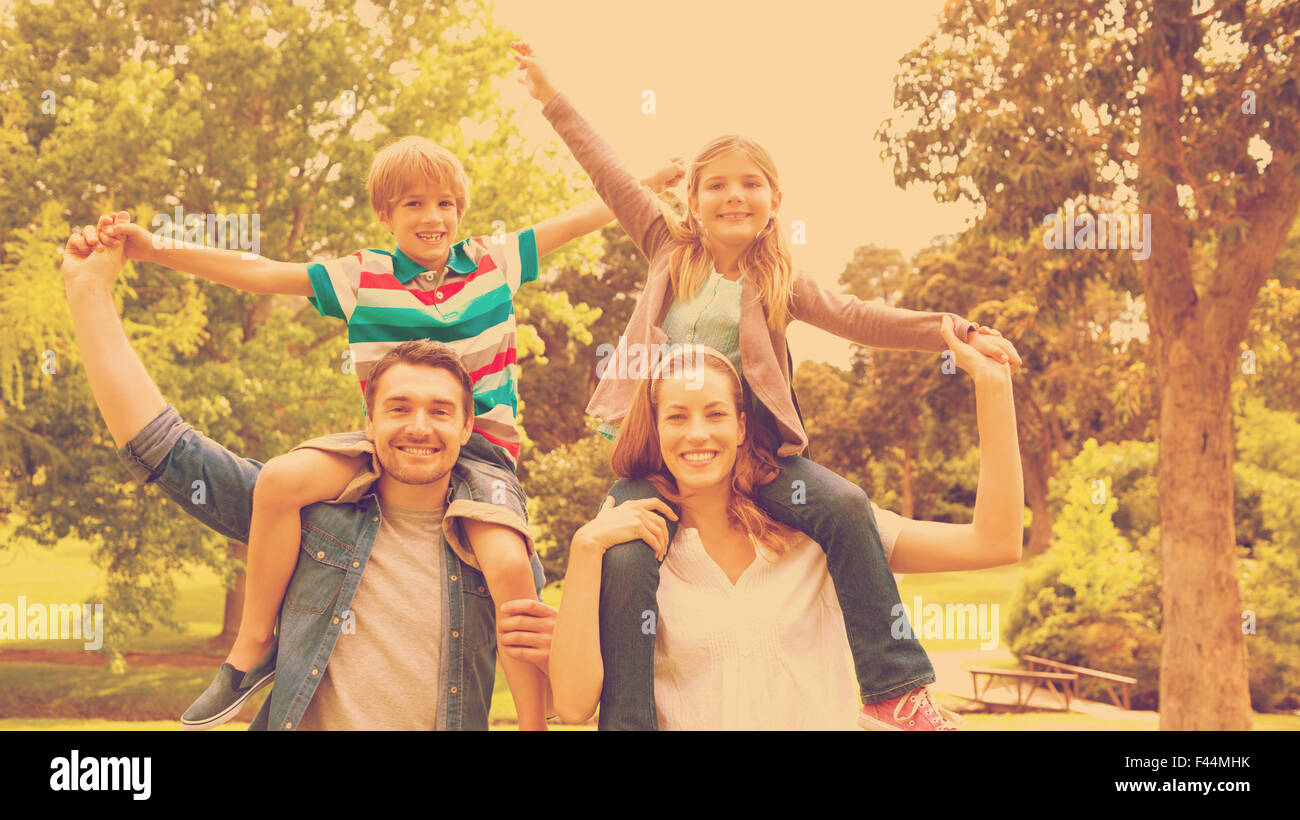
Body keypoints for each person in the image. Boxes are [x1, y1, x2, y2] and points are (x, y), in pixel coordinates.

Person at [512, 41, 1024, 729]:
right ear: (690, 200)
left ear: (774, 200)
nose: (733, 195)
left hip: (750, 455)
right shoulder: (668, 249)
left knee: (843, 507)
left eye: (750, 183)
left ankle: (894, 686)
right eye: (716, 184)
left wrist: (948, 330)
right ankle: (628, 720)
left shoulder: (779, 280)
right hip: (654, 455)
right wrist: (551, 97)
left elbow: (858, 317)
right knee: (627, 556)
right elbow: (608, 174)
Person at [93, 139, 682, 728]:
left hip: (482, 457)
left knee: (509, 567)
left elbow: (580, 217)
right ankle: (249, 651)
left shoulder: (492, 261)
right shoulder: (360, 276)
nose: (434, 217)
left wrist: (645, 183)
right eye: (414, 204)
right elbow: (262, 273)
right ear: (386, 215)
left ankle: (532, 723)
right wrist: (155, 249)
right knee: (279, 479)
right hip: (387, 446)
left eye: (447, 203)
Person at [60, 226, 557, 730]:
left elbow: (561, 699)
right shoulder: (309, 516)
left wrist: (558, 651)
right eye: (399, 408)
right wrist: (88, 291)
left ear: (468, 427)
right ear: (369, 421)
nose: (419, 427)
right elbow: (163, 446)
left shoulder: (499, 549)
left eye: (441, 411)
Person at [551, 335, 1023, 729]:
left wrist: (992, 385)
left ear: (740, 427)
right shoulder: (634, 551)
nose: (697, 433)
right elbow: (573, 706)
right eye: (677, 416)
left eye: (715, 414)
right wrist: (586, 546)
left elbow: (994, 542)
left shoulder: (826, 532)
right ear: (655, 429)